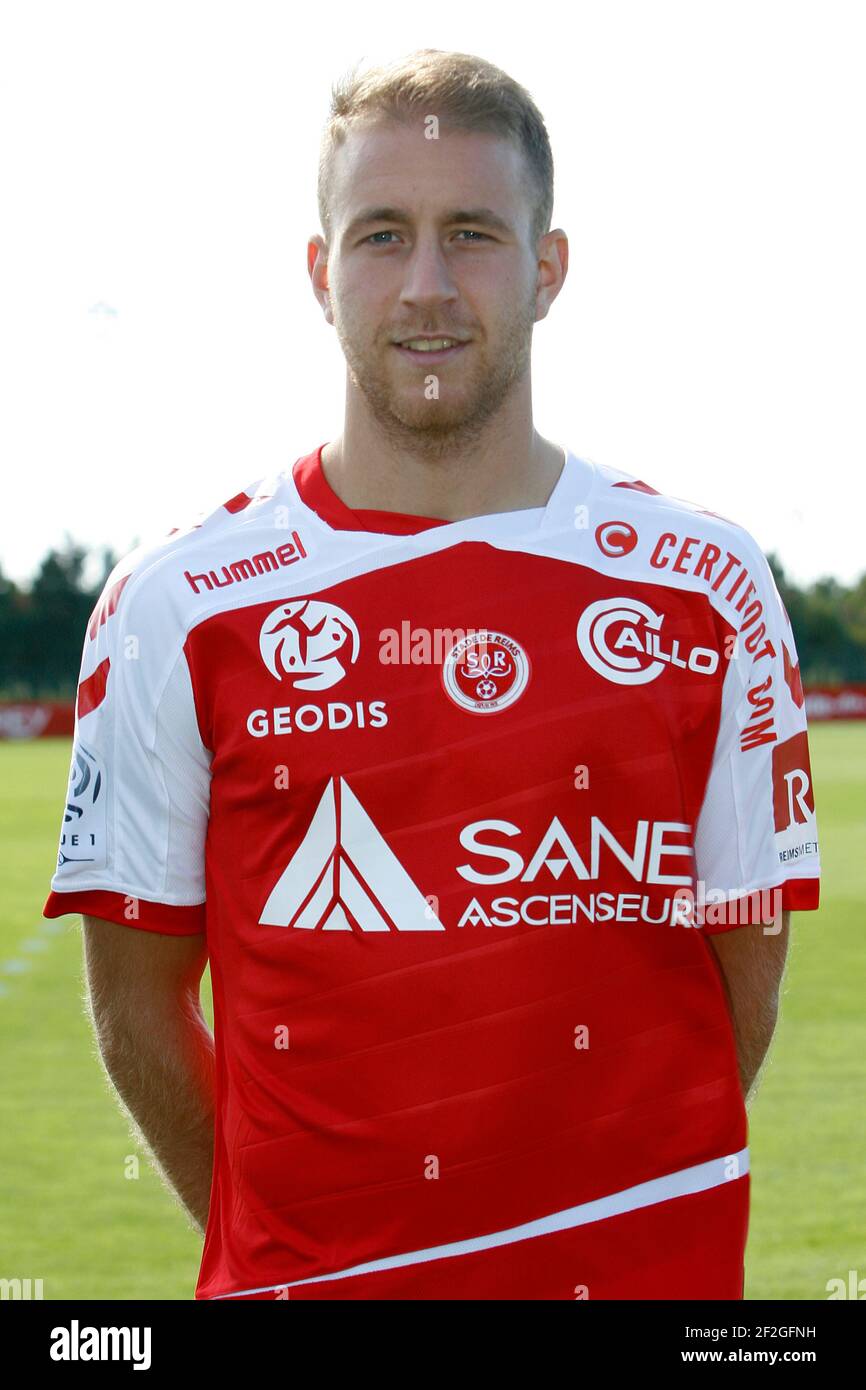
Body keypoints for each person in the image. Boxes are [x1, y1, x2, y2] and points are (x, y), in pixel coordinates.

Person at [43, 48, 821, 1301]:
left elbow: (742, 969)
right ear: (318, 272)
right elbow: (138, 1010)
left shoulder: (704, 585)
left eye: (470, 234)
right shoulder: (176, 604)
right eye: (379, 236)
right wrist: (294, 1249)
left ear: (546, 268)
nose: (424, 287)